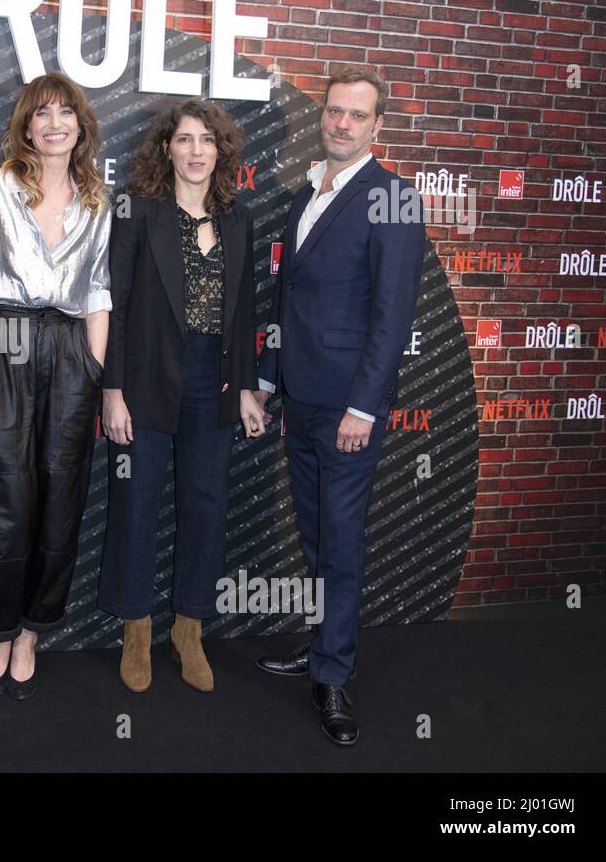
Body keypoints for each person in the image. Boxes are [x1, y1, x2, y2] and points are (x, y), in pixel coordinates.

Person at [254, 67, 425, 745]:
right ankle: (323, 639)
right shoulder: (308, 193)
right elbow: (287, 297)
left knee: (342, 540)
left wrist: (365, 407)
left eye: (357, 115)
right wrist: (267, 379)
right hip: (300, 396)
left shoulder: (394, 198)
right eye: (334, 112)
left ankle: (331, 674)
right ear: (321, 116)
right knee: (317, 534)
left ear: (377, 126)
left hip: (348, 408)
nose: (342, 124)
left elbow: (392, 316)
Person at [100, 100, 269, 694]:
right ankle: (136, 629)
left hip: (212, 378)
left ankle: (189, 629)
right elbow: (114, 306)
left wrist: (246, 386)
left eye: (207, 141)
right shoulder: (138, 211)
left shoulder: (237, 219)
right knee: (136, 503)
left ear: (221, 151)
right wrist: (113, 391)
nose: (196, 151)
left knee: (206, 504)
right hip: (145, 379)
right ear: (166, 149)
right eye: (185, 140)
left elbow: (244, 311)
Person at [0, 72, 111, 700]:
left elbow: (98, 290)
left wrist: (94, 365)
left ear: (80, 126)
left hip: (71, 350)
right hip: (2, 343)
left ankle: (31, 632)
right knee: (3, 500)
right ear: (25, 125)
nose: (54, 124)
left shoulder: (98, 199)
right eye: (42, 113)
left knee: (60, 496)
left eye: (65, 113)